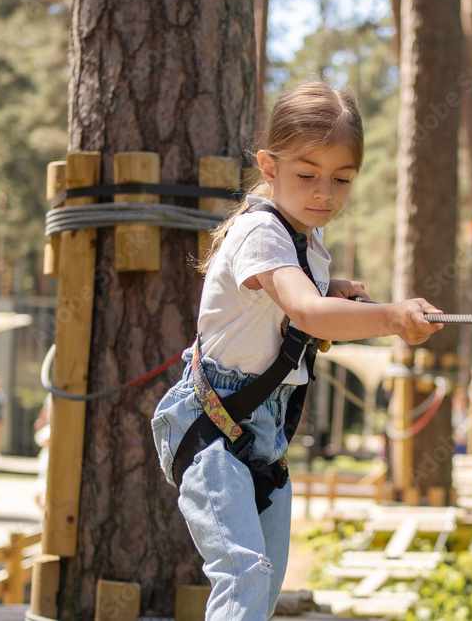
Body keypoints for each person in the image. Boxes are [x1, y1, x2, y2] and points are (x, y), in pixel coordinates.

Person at [150, 80, 443, 621]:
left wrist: (333, 289)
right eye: (307, 175)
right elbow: (305, 311)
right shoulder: (262, 231)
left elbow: (292, 297)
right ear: (268, 166)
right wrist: (389, 318)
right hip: (213, 424)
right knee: (244, 575)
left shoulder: (303, 236)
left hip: (265, 430)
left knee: (263, 586)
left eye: (341, 179)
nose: (324, 193)